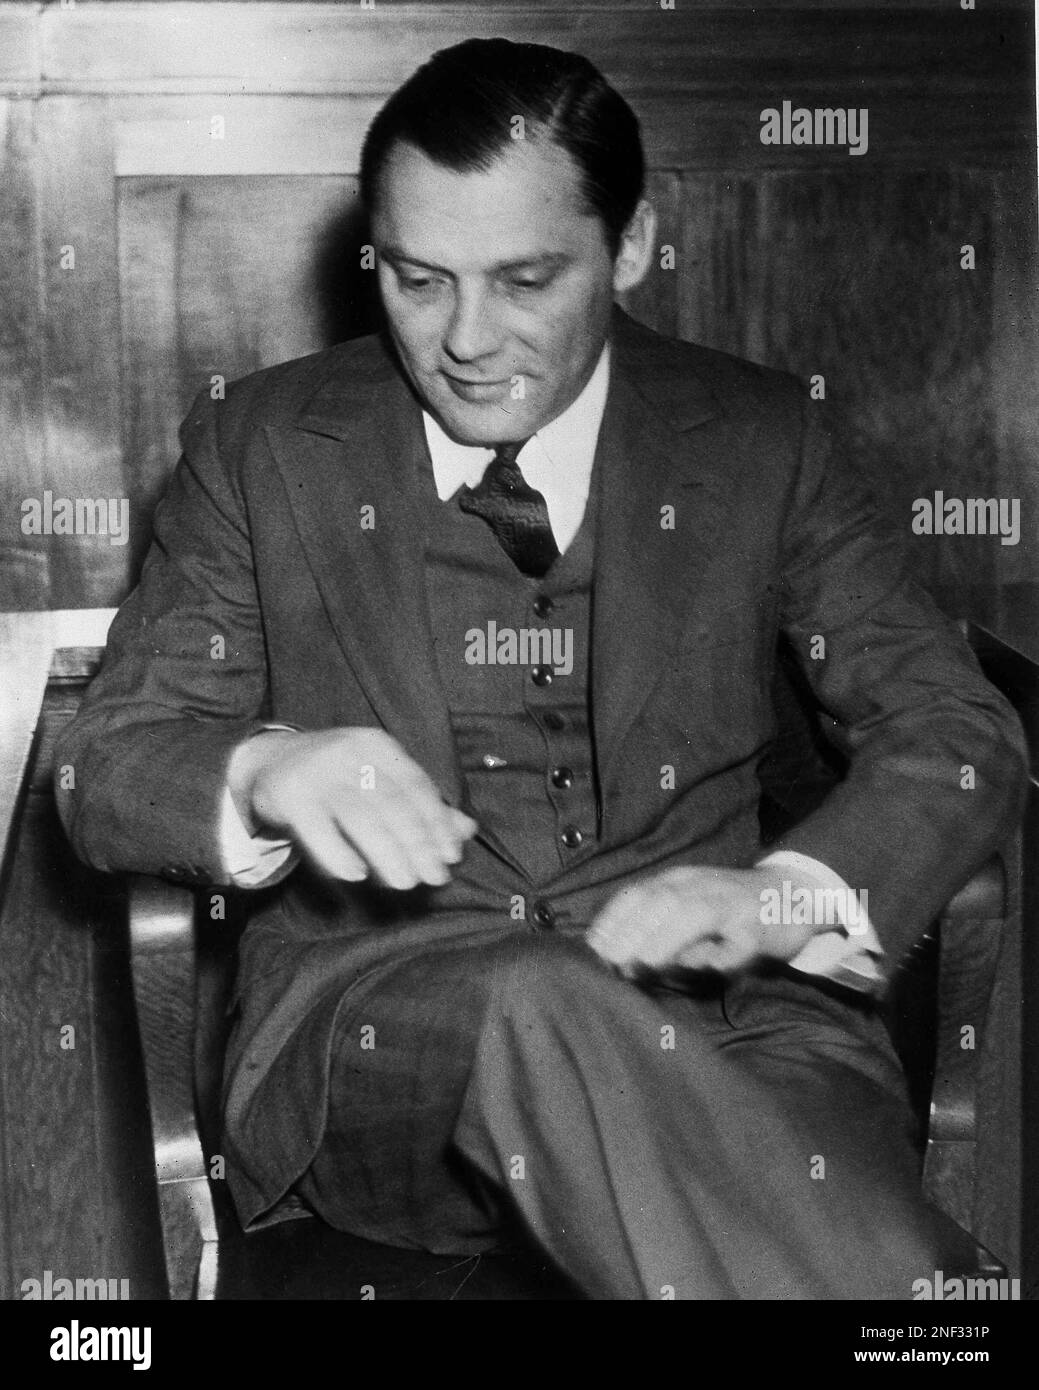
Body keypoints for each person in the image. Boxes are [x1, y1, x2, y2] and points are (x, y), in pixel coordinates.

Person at [55, 38, 1026, 1299]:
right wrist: (268, 766)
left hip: (737, 1026)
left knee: (860, 1250)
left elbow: (955, 727)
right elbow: (104, 763)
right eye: (416, 280)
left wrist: (787, 898)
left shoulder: (758, 437)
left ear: (626, 248)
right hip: (387, 1037)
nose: (465, 339)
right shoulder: (263, 445)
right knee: (539, 994)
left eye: (524, 281)